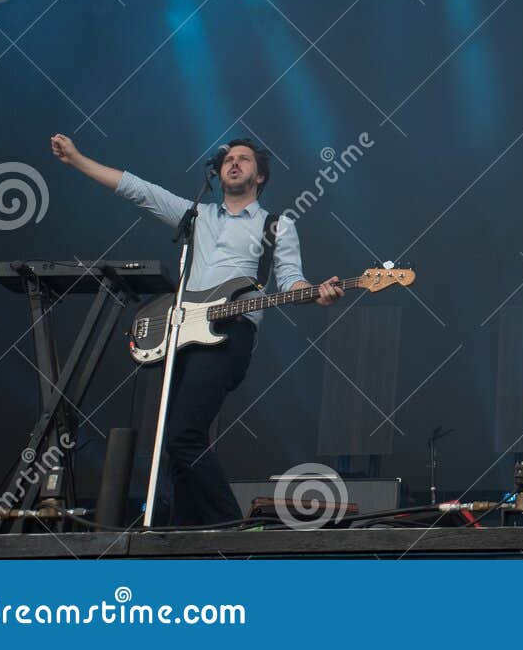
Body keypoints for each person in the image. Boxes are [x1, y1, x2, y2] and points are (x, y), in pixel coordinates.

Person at [49, 133, 343, 526]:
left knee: (184, 437)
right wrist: (78, 159)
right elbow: (140, 190)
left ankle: (232, 527)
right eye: (227, 160)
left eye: (244, 159)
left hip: (229, 335)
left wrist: (315, 294)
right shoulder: (197, 216)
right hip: (182, 333)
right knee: (174, 444)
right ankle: (182, 531)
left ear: (260, 177)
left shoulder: (277, 225)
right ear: (218, 173)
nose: (233, 163)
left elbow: (290, 280)